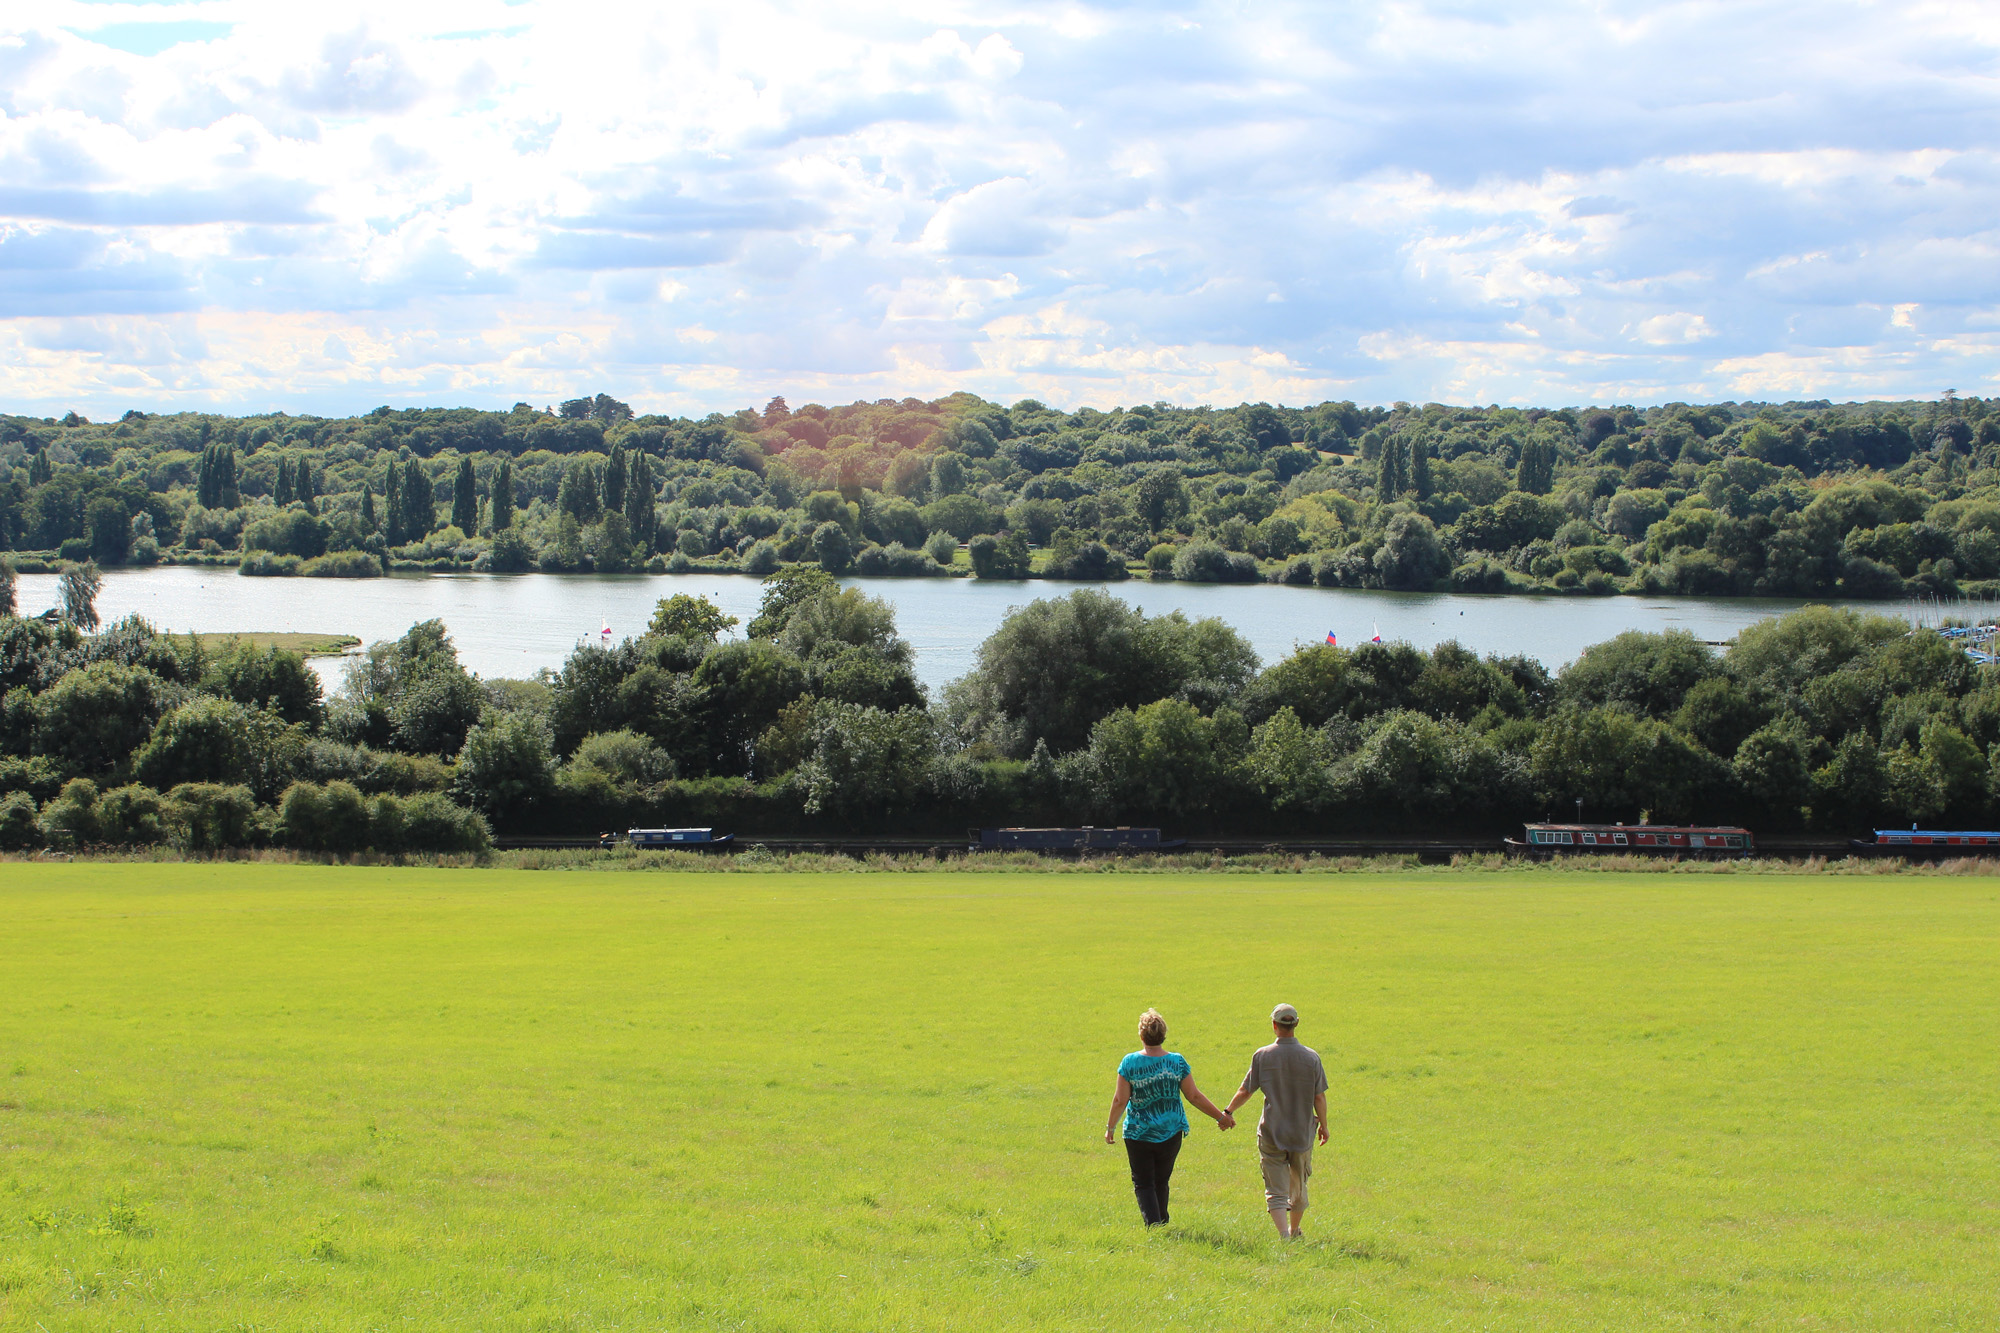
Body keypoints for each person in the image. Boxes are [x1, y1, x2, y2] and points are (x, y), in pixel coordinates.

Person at [1103, 1007, 1234, 1226]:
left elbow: (1120, 1100)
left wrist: (1110, 1128)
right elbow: (1193, 1096)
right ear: (1163, 1034)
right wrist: (1221, 1117)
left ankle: (1154, 1226)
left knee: (1144, 1183)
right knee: (1161, 1181)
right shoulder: (1177, 1062)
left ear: (1141, 1035)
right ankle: (1161, 1222)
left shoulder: (1130, 1063)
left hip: (1138, 1133)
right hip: (1171, 1131)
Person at [1223, 1002, 1329, 1239]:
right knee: (1298, 1185)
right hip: (1302, 1133)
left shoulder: (1262, 1056)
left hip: (1271, 1131)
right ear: (1296, 1025)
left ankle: (1283, 1235)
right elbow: (1319, 1097)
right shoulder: (1312, 1058)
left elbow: (1245, 1090)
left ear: (1274, 1026)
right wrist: (1323, 1125)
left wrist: (1228, 1112)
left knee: (1275, 1188)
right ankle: (1294, 1230)